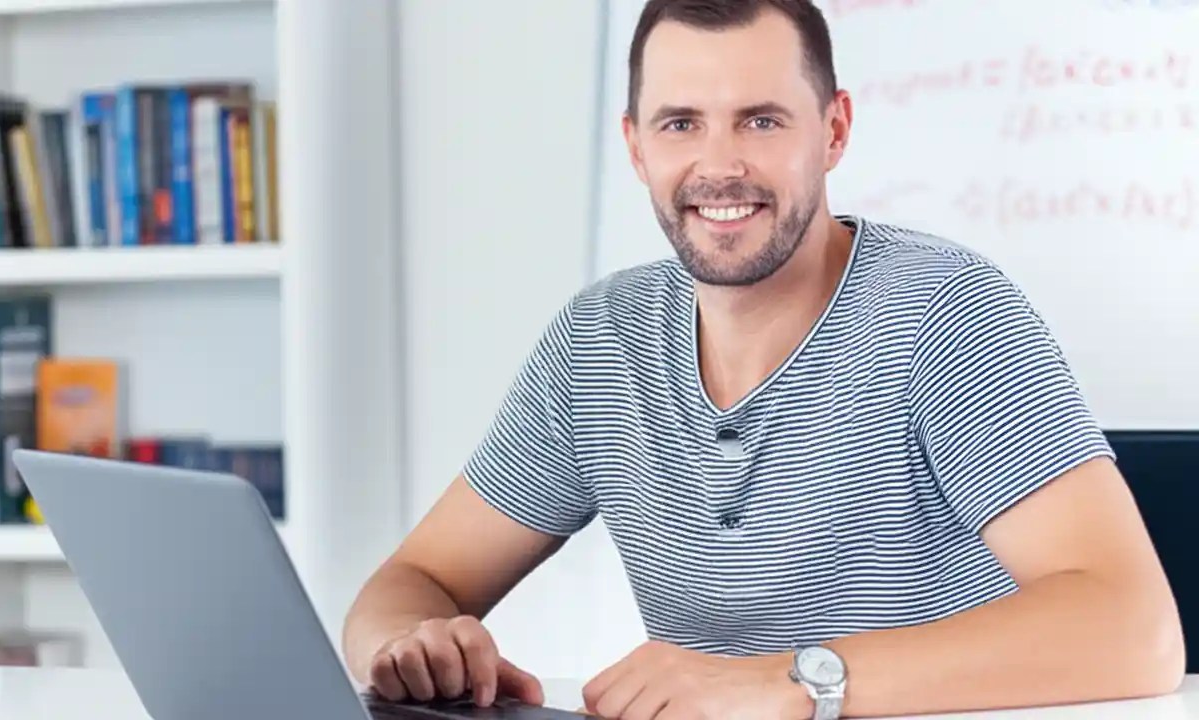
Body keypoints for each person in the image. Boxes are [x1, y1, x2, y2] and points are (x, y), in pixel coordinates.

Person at [342, 1, 1186, 718]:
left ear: (834, 130)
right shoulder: (600, 339)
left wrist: (792, 682)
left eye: (762, 119)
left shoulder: (945, 312)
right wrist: (412, 644)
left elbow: (1136, 630)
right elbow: (414, 577)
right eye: (682, 124)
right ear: (637, 148)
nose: (719, 166)